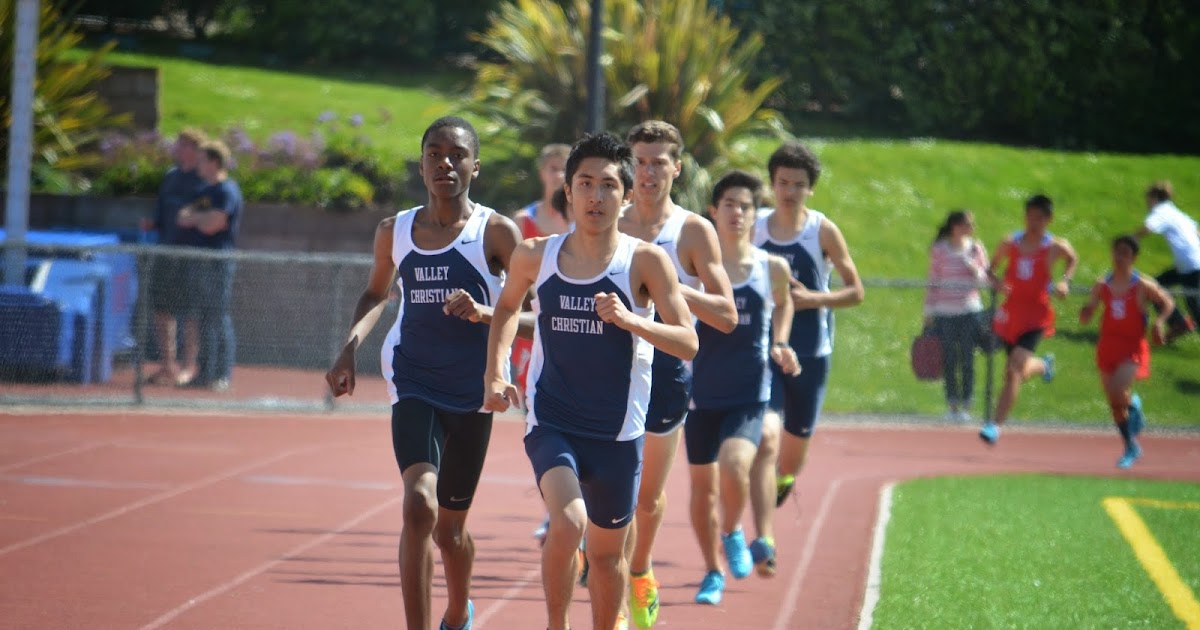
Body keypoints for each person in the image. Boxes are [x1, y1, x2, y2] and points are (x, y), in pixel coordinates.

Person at [482, 132, 698, 630]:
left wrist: (633, 321)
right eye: (585, 184)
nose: (595, 197)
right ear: (569, 192)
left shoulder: (645, 262)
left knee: (605, 558)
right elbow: (508, 307)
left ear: (626, 197)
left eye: (607, 186)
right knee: (569, 520)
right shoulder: (535, 256)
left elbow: (688, 342)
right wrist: (496, 372)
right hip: (552, 419)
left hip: (618, 433)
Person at [325, 116, 523, 630]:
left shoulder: (496, 233)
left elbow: (531, 314)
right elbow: (375, 293)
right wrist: (349, 350)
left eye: (456, 154)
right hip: (412, 380)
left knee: (450, 533)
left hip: (473, 393)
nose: (445, 163)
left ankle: (459, 610)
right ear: (421, 165)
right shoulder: (396, 230)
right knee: (418, 506)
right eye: (434, 153)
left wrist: (483, 315)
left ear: (474, 167)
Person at [617, 120, 737, 629]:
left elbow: (727, 315)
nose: (647, 172)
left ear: (677, 167)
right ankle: (614, 589)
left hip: (666, 370)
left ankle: (640, 567)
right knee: (613, 490)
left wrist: (667, 289)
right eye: (640, 161)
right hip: (611, 370)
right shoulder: (611, 221)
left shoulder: (692, 230)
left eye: (658, 162)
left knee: (647, 499)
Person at [686, 171, 799, 606]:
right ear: (713, 211)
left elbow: (785, 302)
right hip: (700, 393)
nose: (738, 212)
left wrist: (781, 341)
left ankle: (733, 531)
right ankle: (712, 571)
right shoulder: (694, 268)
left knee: (735, 464)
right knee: (703, 491)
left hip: (750, 393)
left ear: (756, 214)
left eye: (747, 206)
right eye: (729, 204)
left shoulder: (771, 267)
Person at [749, 142, 864, 560]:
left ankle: (784, 480)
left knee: (793, 453)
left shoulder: (822, 231)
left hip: (811, 351)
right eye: (782, 183)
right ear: (772, 183)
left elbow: (856, 291)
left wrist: (813, 299)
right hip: (764, 349)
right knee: (766, 435)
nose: (789, 191)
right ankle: (764, 537)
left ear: (809, 189)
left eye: (798, 185)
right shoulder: (755, 227)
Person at [979, 194, 1079, 445]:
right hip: (1011, 315)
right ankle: (1044, 365)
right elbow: (989, 270)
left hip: (1036, 316)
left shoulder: (1055, 246)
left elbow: (1072, 259)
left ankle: (994, 426)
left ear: (1048, 219)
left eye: (1039, 218)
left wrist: (1064, 281)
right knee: (1014, 372)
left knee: (1013, 370)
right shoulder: (1009, 243)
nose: (1033, 223)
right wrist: (998, 283)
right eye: (1030, 217)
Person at [1079, 236, 1175, 468]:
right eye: (1117, 252)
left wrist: (1159, 322)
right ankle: (1130, 445)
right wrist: (1087, 312)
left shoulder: (1142, 285)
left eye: (1125, 253)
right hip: (1107, 347)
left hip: (1132, 347)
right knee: (1114, 403)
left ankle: (1132, 405)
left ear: (1133, 257)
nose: (1120, 257)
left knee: (1116, 389)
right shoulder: (1102, 285)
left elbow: (1168, 302)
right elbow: (1089, 309)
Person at [176, 140, 243, 390]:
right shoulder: (205, 192)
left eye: (203, 160)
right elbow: (183, 217)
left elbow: (215, 223)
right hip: (200, 262)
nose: (198, 165)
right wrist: (199, 219)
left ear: (214, 162)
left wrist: (199, 220)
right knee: (202, 317)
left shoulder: (227, 191)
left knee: (218, 316)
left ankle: (221, 374)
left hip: (218, 262)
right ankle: (203, 373)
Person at [144, 129, 206, 386]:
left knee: (191, 312)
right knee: (162, 309)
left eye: (184, 145)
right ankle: (167, 365)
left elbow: (206, 209)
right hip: (166, 250)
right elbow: (160, 214)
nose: (178, 149)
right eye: (178, 144)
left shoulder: (203, 180)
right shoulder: (171, 177)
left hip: (191, 255)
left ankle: (189, 366)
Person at [923, 210, 989, 421]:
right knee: (949, 359)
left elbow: (985, 280)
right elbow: (933, 280)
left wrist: (974, 269)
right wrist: (929, 310)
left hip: (969, 310)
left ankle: (967, 406)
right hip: (945, 311)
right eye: (967, 224)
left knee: (967, 359)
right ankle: (952, 405)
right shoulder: (940, 249)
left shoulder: (976, 249)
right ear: (955, 226)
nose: (971, 228)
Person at [1135, 181, 1200, 343]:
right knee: (1156, 287)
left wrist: (1130, 240)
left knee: (1195, 306)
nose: (1147, 204)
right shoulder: (1177, 213)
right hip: (1189, 262)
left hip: (1190, 265)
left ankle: (1179, 322)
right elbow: (1197, 231)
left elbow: (1149, 227)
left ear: (1154, 198)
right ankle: (1178, 322)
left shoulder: (1161, 211)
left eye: (1148, 199)